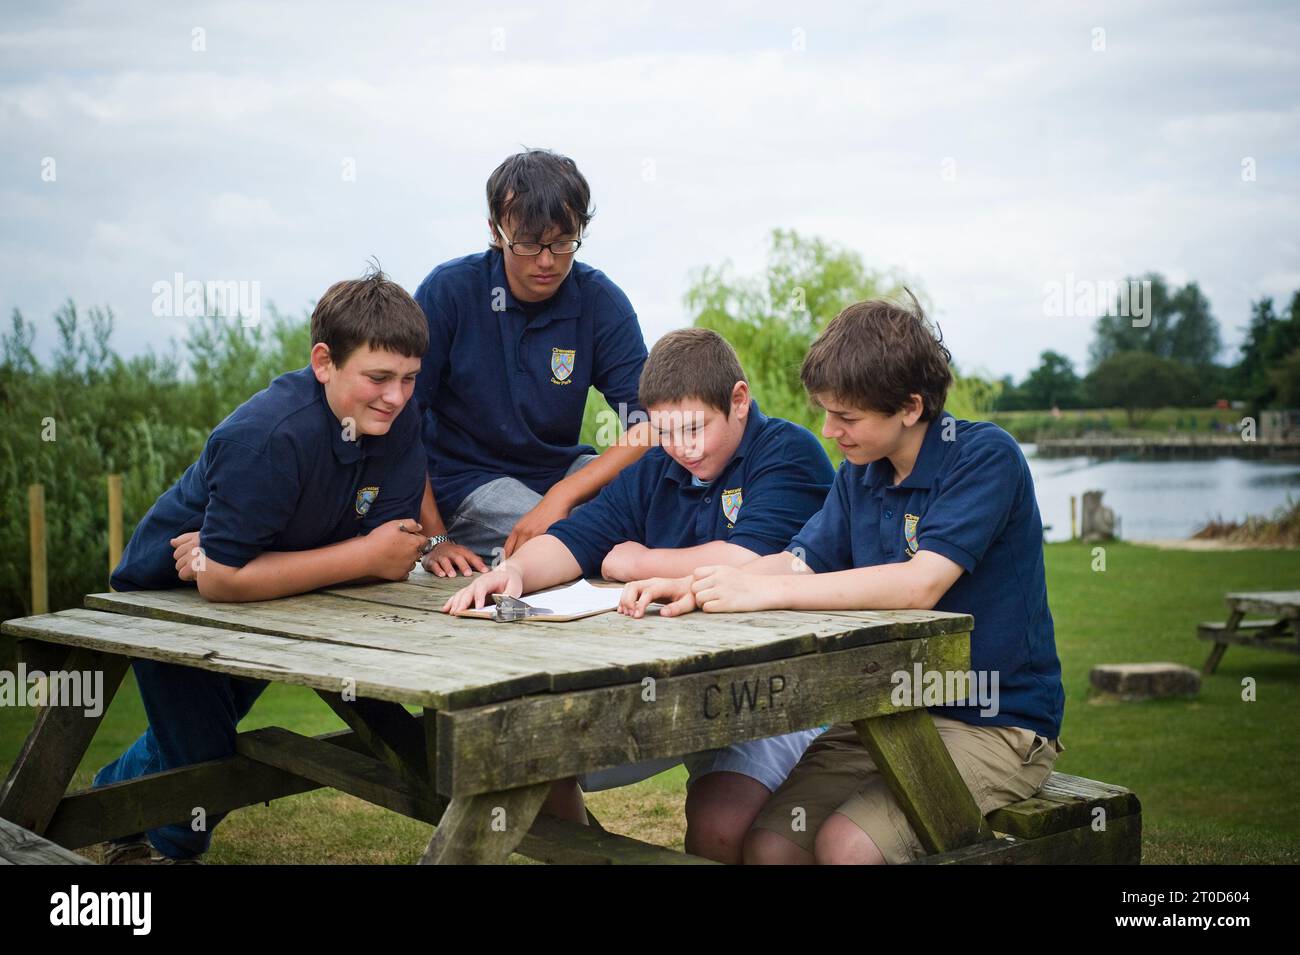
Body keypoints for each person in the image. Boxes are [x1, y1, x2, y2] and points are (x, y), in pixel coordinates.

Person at [620, 294, 1066, 865]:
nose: (829, 430)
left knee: (846, 848)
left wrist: (764, 590)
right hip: (881, 714)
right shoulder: (861, 474)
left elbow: (918, 585)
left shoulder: (984, 458)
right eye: (826, 411)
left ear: (909, 406)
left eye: (846, 417)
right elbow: (801, 561)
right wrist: (698, 586)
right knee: (770, 846)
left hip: (995, 723)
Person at [443, 328, 835, 863]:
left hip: (766, 690)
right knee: (536, 762)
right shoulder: (658, 465)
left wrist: (636, 562)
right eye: (666, 432)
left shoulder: (788, 452)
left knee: (720, 832)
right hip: (669, 687)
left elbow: (752, 562)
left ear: (739, 401)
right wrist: (512, 571)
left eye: (695, 427)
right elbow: (576, 540)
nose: (683, 447)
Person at [95, 269, 431, 863]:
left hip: (273, 592)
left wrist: (265, 560)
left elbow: (397, 553)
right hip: (166, 600)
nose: (396, 397)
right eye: (378, 377)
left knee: (194, 737)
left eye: (408, 379)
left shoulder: (399, 423)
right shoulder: (266, 437)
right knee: (207, 755)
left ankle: (102, 802)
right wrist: (358, 553)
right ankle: (159, 852)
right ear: (324, 361)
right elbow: (221, 581)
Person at [412, 148, 652, 577]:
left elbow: (649, 426)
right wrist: (435, 539)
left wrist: (561, 494)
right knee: (567, 541)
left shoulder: (601, 301)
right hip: (471, 481)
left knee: (652, 502)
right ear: (495, 230)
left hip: (563, 471)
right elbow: (402, 423)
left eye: (563, 242)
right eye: (527, 243)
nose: (546, 260)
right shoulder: (449, 292)